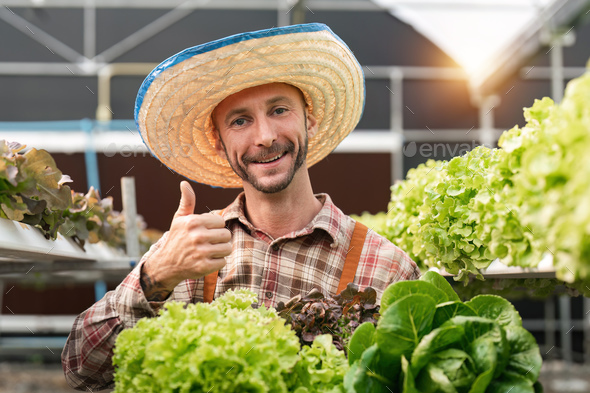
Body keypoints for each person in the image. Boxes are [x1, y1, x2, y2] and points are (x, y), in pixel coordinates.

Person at [62, 23, 420, 390]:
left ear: (309, 121)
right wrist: (157, 273)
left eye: (279, 110)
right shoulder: (191, 252)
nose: (264, 137)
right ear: (218, 142)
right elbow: (81, 367)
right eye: (240, 121)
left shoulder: (388, 268)